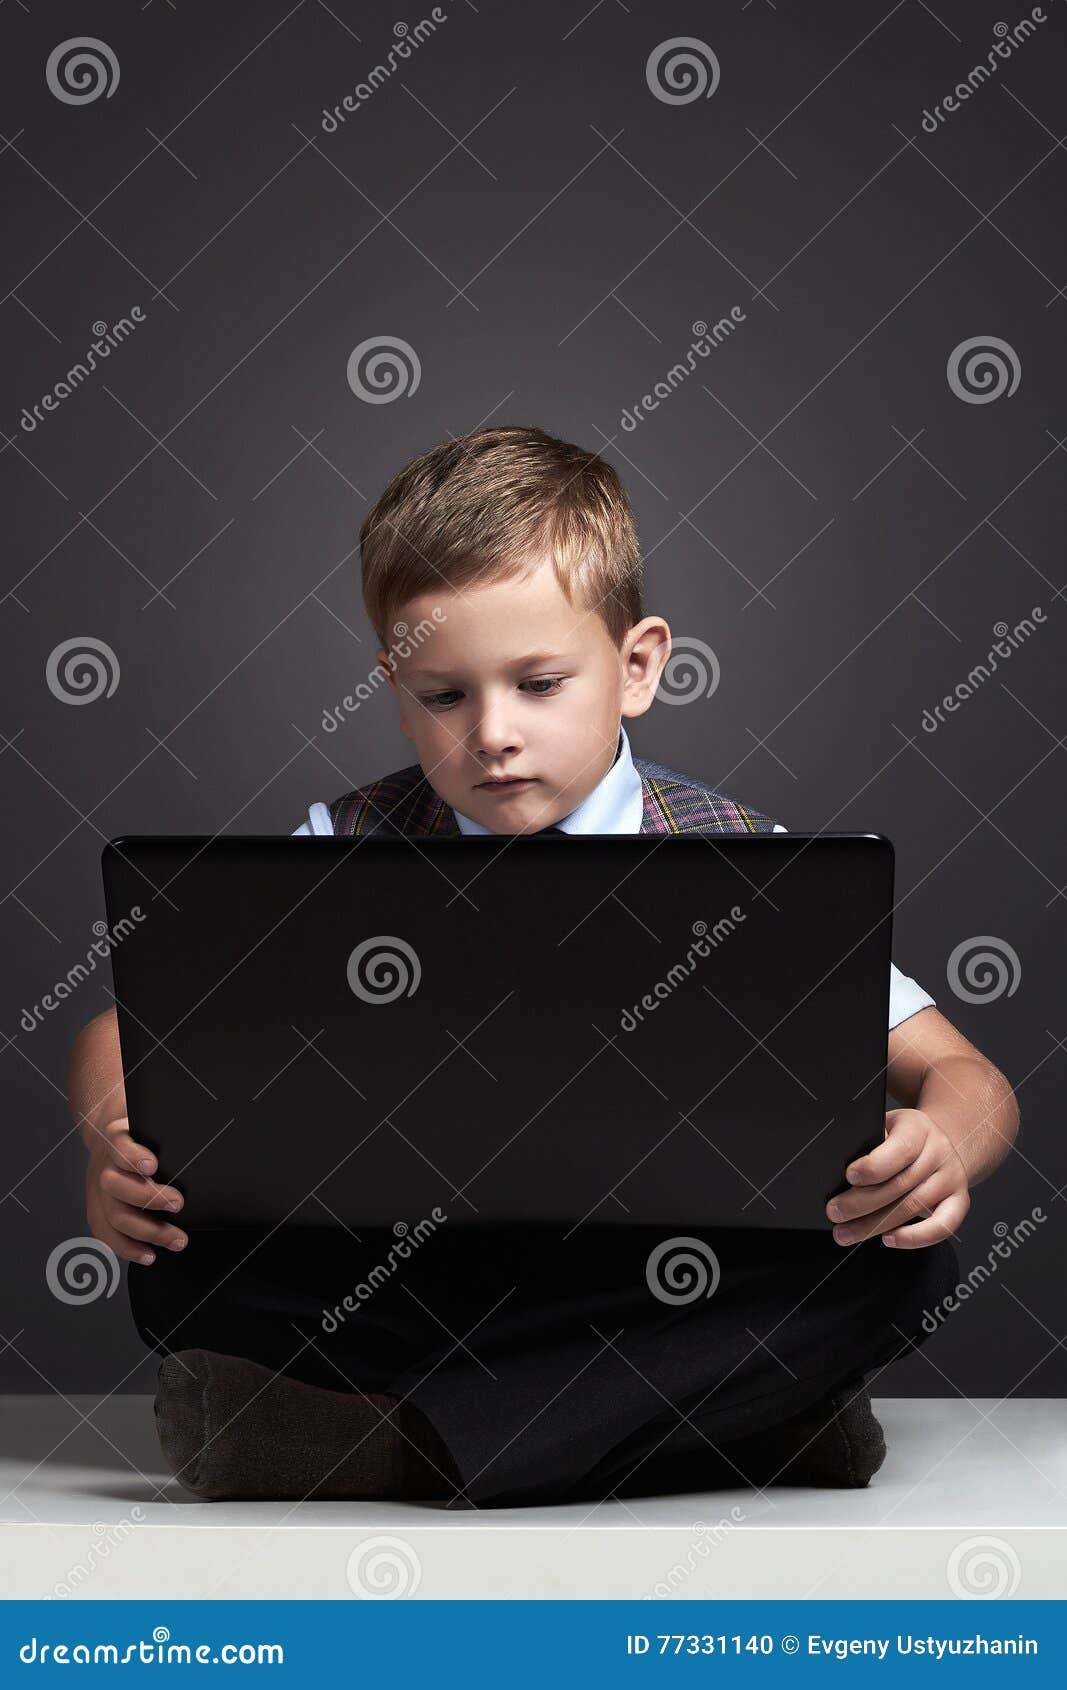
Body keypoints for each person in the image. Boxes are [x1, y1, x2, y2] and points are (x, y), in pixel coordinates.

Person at [66, 426, 1019, 1507]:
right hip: (418, 1274)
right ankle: (740, 1425)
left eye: (537, 683)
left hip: (656, 1279)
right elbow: (116, 1035)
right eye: (443, 696)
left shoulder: (744, 864)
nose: (492, 734)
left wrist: (942, 1144)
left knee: (899, 1262)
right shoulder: (339, 849)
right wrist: (113, 1140)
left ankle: (390, 1444)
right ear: (395, 687)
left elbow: (967, 1076)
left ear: (637, 666)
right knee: (185, 1254)